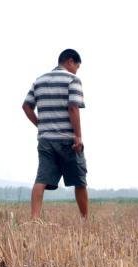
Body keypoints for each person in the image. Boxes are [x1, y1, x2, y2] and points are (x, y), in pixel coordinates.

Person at [22, 49, 88, 220]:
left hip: (45, 140)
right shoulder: (72, 80)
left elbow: (26, 106)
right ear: (70, 61)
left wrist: (40, 125)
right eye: (77, 67)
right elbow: (73, 108)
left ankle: (35, 219)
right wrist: (78, 136)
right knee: (79, 181)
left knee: (41, 179)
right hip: (68, 140)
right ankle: (84, 220)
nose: (76, 71)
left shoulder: (39, 81)